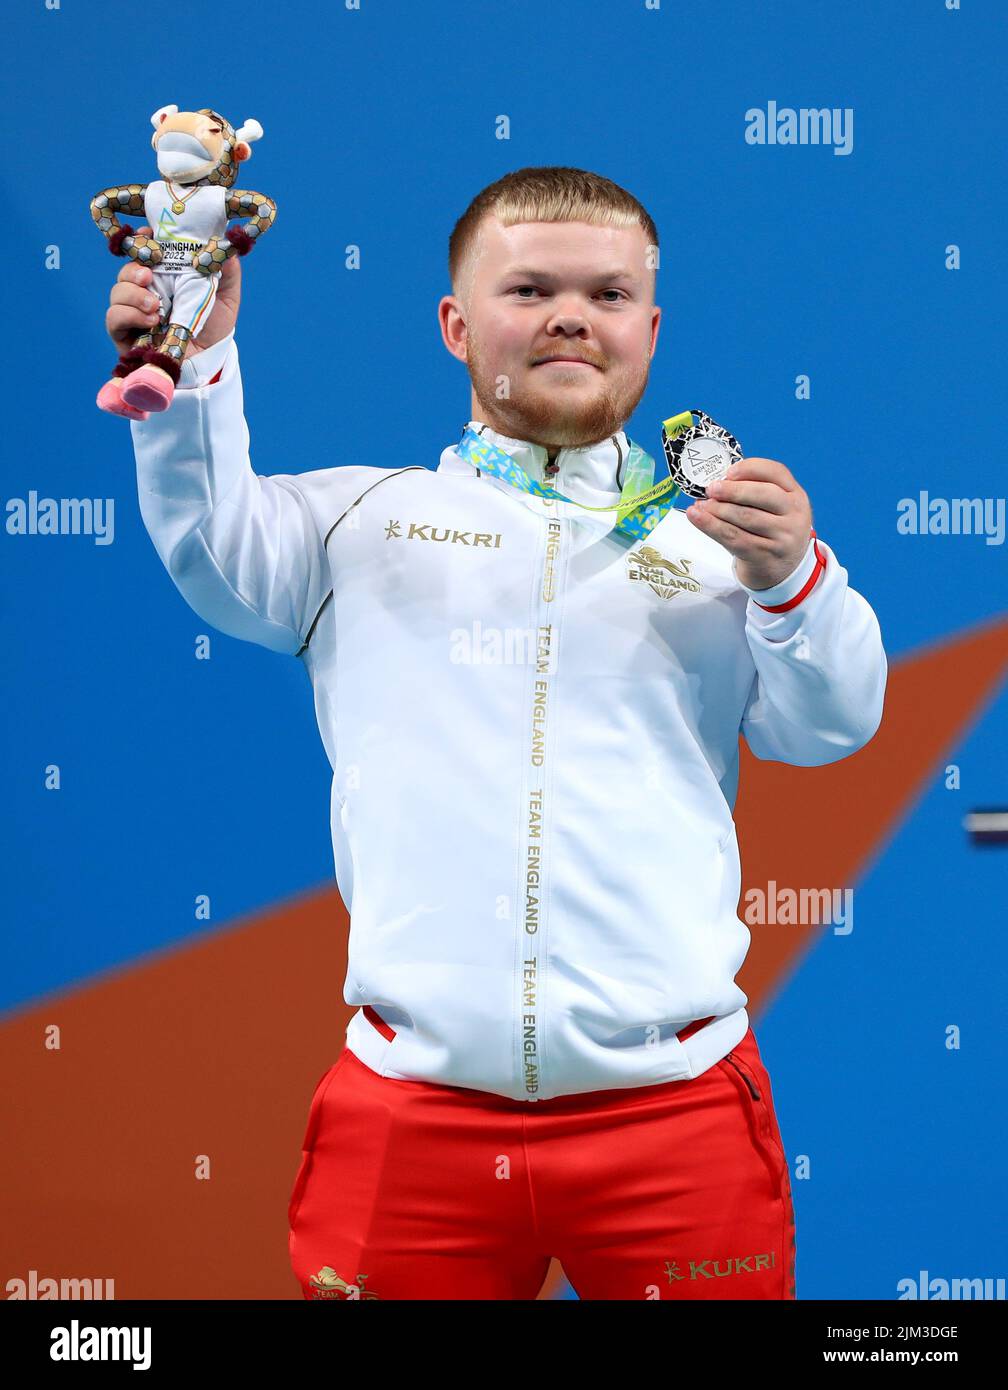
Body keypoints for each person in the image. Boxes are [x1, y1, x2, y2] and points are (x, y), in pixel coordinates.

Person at [108, 166, 887, 1300]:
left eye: (608, 294)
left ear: (650, 330)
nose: (572, 315)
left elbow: (833, 725)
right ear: (457, 326)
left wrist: (795, 582)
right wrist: (197, 364)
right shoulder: (357, 522)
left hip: (676, 1109)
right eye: (529, 288)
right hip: (410, 1112)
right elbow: (211, 548)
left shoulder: (726, 546)